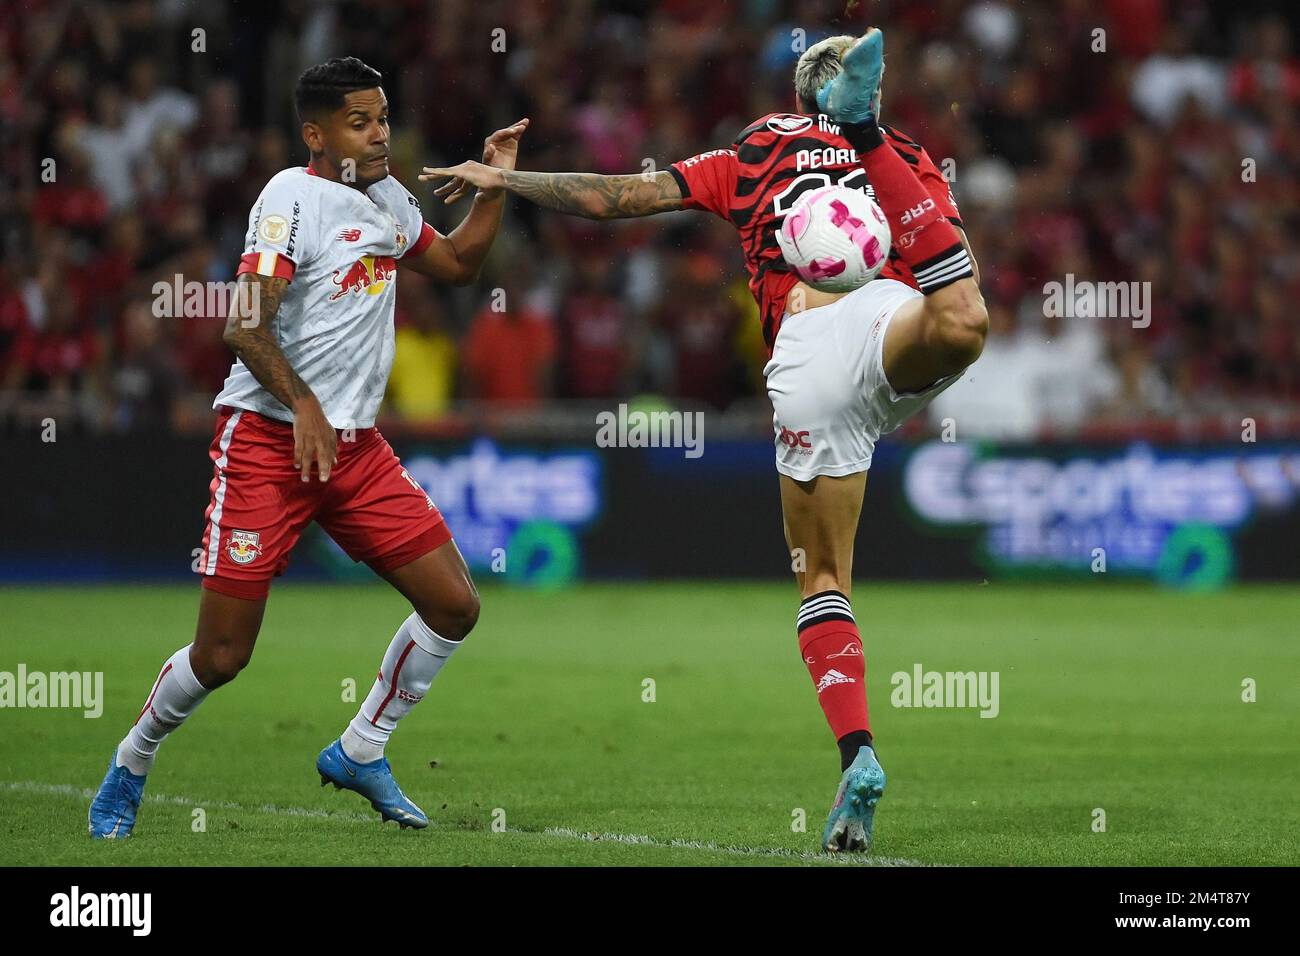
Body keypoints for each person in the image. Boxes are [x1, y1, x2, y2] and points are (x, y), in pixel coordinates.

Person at [421, 29, 987, 853]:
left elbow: (621, 198)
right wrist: (872, 143)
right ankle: (943, 307)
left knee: (824, 577)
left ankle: (856, 754)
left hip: (809, 348)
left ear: (798, 99)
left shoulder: (756, 148)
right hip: (894, 323)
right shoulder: (909, 154)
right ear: (849, 95)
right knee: (963, 319)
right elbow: (947, 248)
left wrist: (507, 179)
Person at [89, 56, 528, 837]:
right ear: (317, 134)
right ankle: (131, 760)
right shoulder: (290, 198)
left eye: (385, 117)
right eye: (362, 122)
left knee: (455, 604)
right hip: (267, 442)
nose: (381, 134)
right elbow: (243, 325)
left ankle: (362, 747)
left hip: (353, 454)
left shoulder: (389, 198)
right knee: (222, 656)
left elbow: (459, 265)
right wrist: (304, 408)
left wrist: (494, 186)